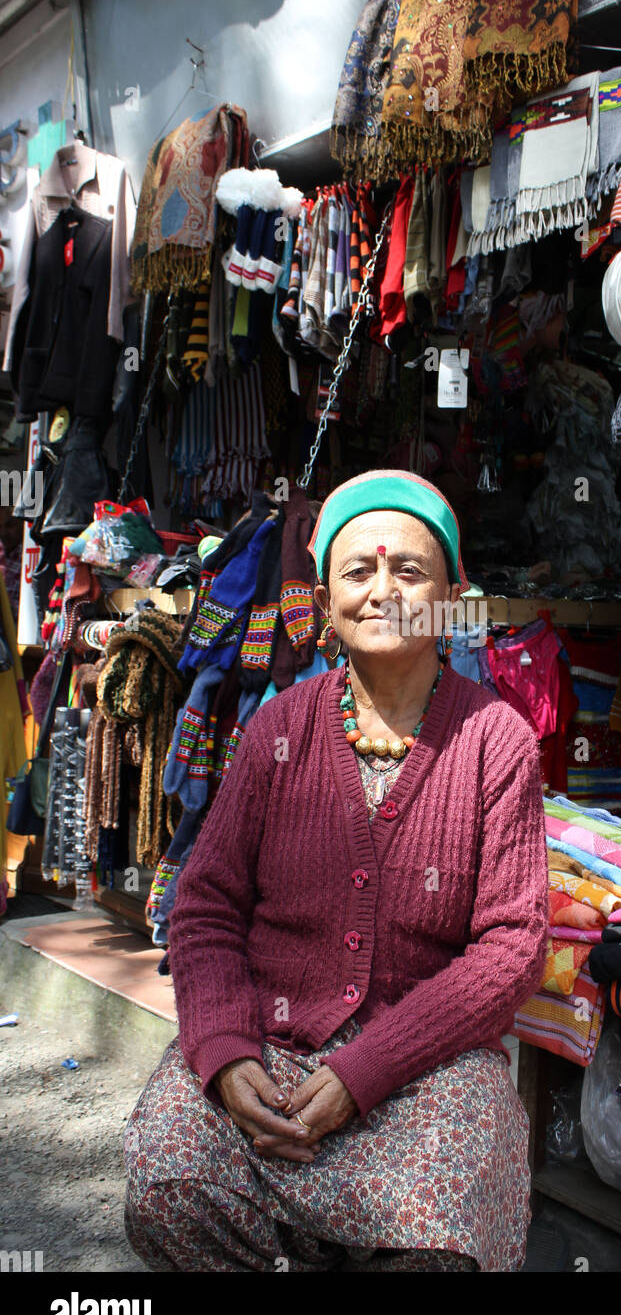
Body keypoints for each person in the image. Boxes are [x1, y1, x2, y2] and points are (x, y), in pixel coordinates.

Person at [124, 469, 548, 1272]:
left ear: (451, 599)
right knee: (170, 1187)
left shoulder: (498, 740)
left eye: (410, 571)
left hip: (424, 1066)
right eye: (358, 571)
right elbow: (206, 906)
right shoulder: (277, 730)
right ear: (323, 605)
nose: (383, 590)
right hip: (273, 1046)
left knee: (438, 1242)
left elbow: (512, 947)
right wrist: (224, 1047)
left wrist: (367, 1069)